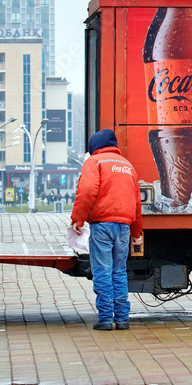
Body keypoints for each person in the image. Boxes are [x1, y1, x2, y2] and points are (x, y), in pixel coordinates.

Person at [70, 129, 142, 331]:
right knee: (119, 272)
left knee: (102, 271)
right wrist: (137, 234)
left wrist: (78, 219)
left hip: (102, 225)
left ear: (95, 146)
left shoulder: (95, 162)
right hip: (124, 227)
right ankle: (122, 319)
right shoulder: (128, 166)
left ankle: (104, 319)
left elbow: (86, 191)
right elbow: (137, 203)